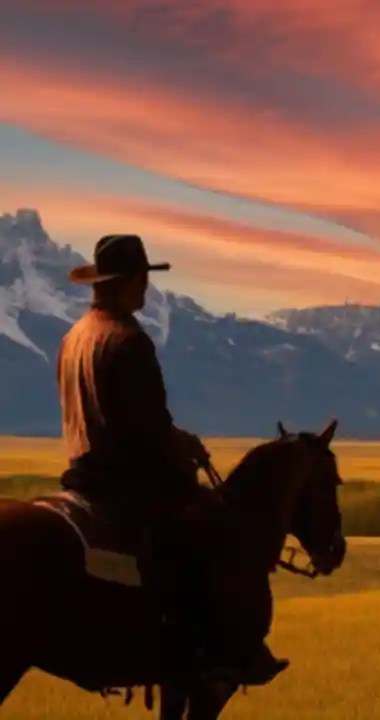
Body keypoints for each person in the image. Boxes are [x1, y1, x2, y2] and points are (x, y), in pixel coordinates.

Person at [57, 233, 287, 686]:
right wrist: (184, 451)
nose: (146, 287)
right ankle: (215, 649)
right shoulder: (127, 339)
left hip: (81, 476)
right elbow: (148, 428)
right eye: (142, 278)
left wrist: (176, 439)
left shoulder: (73, 337)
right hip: (127, 479)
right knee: (218, 532)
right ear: (127, 281)